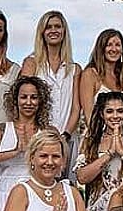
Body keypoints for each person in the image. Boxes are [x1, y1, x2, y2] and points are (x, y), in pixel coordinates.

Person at [75, 91, 123, 211]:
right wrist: (110, 153)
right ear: (102, 114)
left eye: (120, 111)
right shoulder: (91, 140)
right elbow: (82, 177)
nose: (115, 116)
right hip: (97, 208)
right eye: (109, 111)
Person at [20, 11, 83, 143]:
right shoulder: (31, 64)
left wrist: (65, 136)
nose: (53, 30)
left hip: (67, 139)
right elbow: (23, 101)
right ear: (42, 32)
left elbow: (76, 108)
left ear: (64, 31)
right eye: (48, 27)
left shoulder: (74, 69)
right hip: (37, 139)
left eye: (57, 26)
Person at [0, 75, 52, 192]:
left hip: (40, 185)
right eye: (23, 97)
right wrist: (15, 152)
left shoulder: (48, 131)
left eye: (34, 97)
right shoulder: (1, 129)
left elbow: (60, 161)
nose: (28, 102)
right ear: (15, 100)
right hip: (5, 187)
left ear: (40, 101)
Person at [80, 28, 123, 127]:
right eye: (109, 45)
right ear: (101, 48)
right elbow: (88, 115)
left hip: (120, 133)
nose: (114, 49)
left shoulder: (121, 78)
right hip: (97, 133)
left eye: (117, 45)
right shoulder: (90, 74)